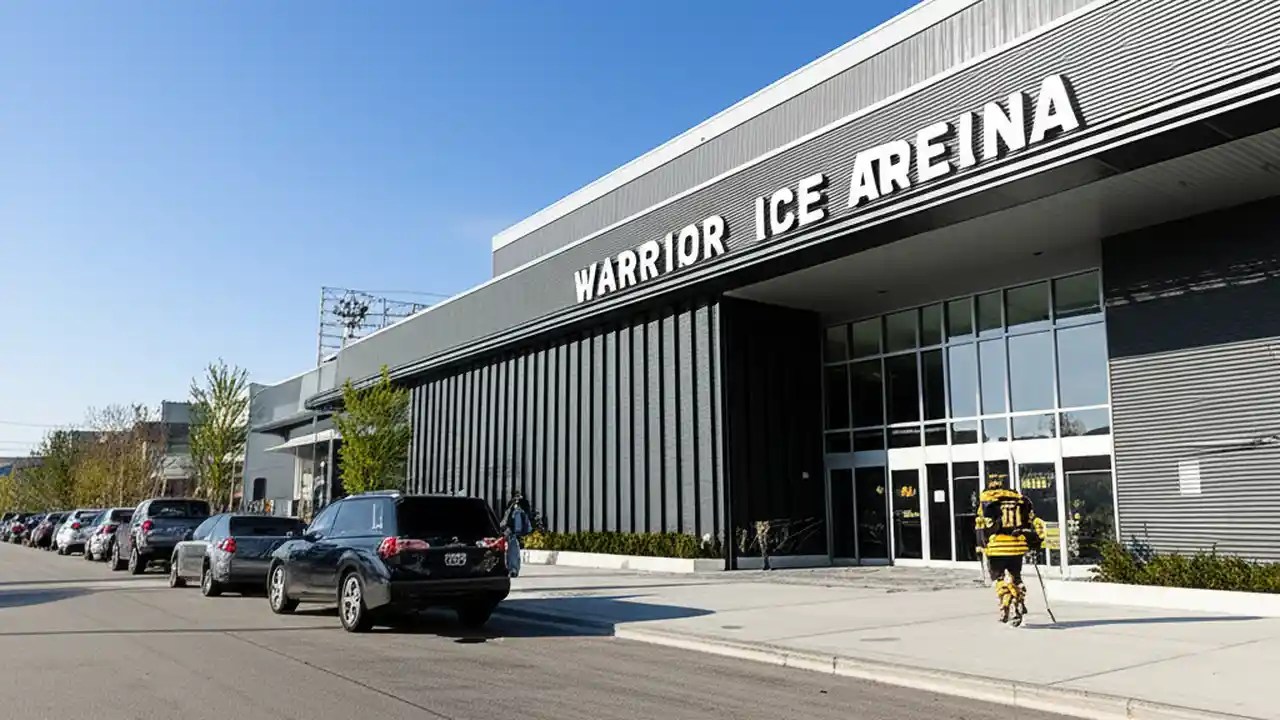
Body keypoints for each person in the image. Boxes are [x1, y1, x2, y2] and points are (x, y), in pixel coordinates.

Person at [975, 478, 1045, 626]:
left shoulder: (987, 500)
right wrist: (1036, 541)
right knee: (1016, 577)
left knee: (999, 578)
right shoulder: (1020, 500)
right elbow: (1033, 521)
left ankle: (1006, 602)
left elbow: (981, 525)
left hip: (996, 547)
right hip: (1017, 546)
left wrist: (981, 545)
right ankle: (1018, 600)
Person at [501, 491, 532, 578]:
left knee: (512, 550)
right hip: (511, 530)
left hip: (511, 531)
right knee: (511, 550)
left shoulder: (515, 506)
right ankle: (512, 569)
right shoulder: (514, 505)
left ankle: (512, 569)